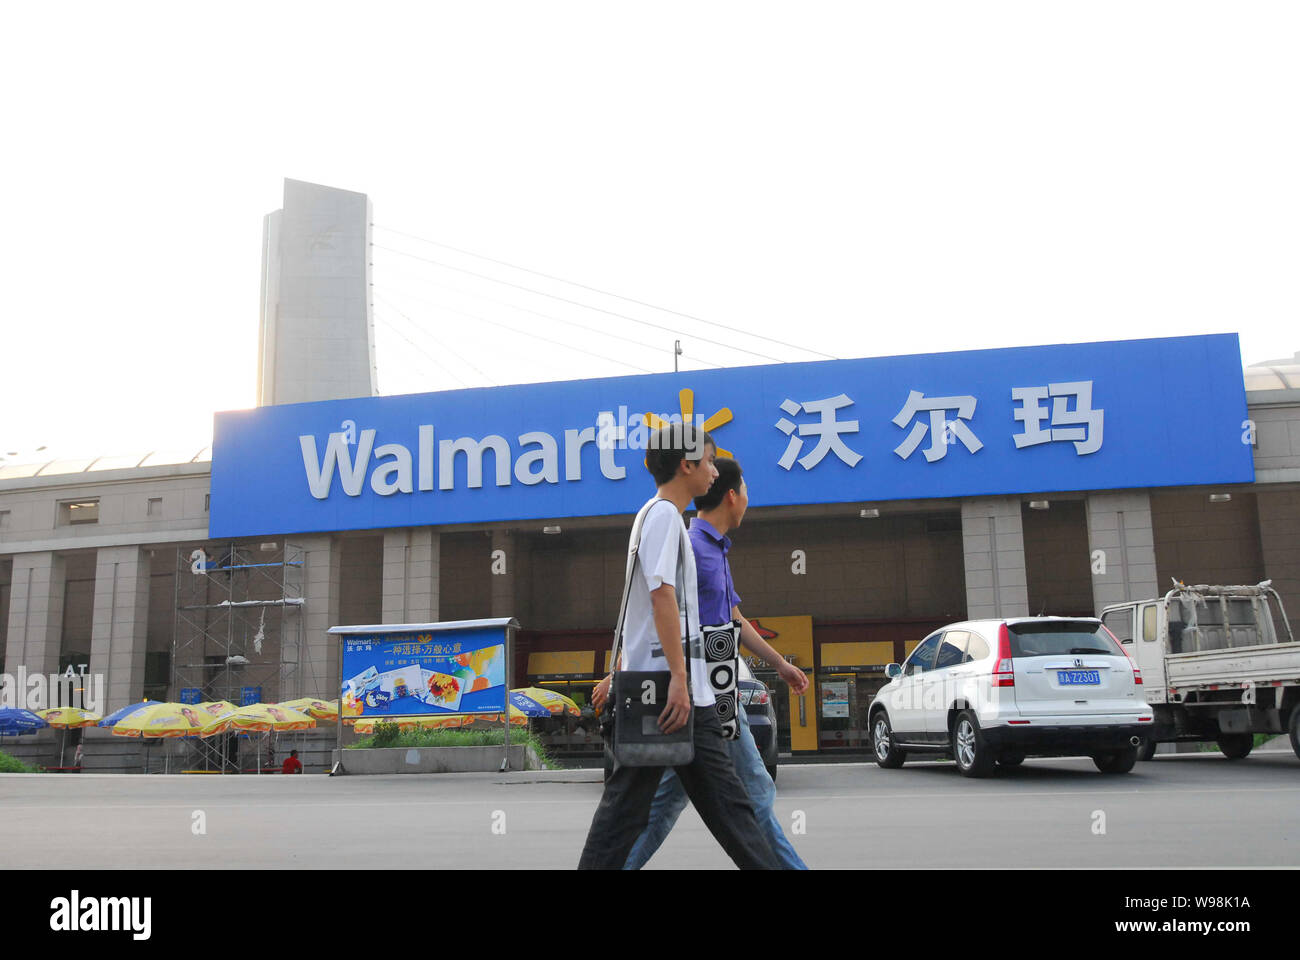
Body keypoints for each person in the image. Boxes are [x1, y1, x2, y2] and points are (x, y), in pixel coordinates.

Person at [577, 424, 779, 870]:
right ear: (686, 464)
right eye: (708, 461)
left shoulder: (656, 515)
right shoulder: (665, 516)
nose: (713, 471)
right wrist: (681, 680)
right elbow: (661, 595)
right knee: (639, 814)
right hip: (670, 695)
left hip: (678, 696)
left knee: (726, 810)